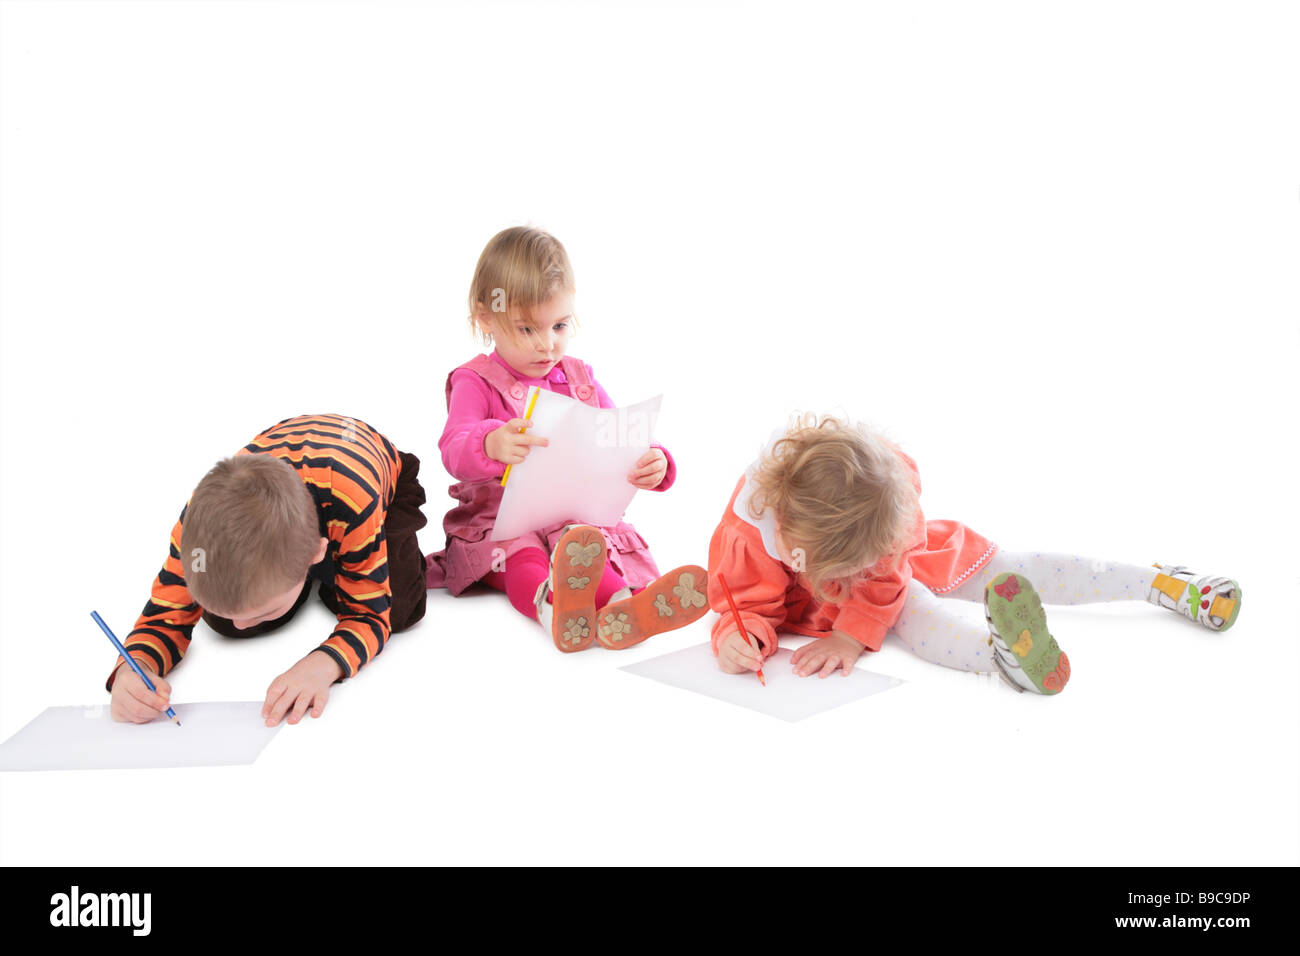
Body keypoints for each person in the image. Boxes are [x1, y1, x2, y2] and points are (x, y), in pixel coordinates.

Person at [707, 413, 1241, 694]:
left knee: (1013, 568)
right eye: (858, 567)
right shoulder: (754, 531)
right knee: (920, 619)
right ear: (807, 551)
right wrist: (740, 635)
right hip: (849, 584)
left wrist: (851, 635)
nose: (876, 566)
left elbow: (887, 573)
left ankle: (1159, 582)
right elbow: (741, 602)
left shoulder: (874, 493)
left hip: (907, 563)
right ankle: (1006, 657)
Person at [426, 226, 709, 650]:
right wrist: (489, 443)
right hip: (501, 521)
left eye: (559, 325)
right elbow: (453, 446)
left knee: (584, 547)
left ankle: (621, 607)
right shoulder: (476, 380)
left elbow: (619, 435)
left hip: (571, 516)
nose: (547, 344)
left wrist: (654, 460)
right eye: (527, 329)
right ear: (485, 317)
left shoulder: (578, 376)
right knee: (523, 557)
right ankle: (553, 607)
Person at [108, 414, 428, 724]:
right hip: (295, 471)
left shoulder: (355, 504)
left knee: (399, 610)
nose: (242, 625)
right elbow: (164, 615)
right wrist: (135, 665)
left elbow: (370, 616)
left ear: (316, 552)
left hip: (368, 476)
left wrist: (323, 663)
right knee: (224, 622)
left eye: (264, 611)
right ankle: (294, 583)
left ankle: (335, 568)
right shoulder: (197, 531)